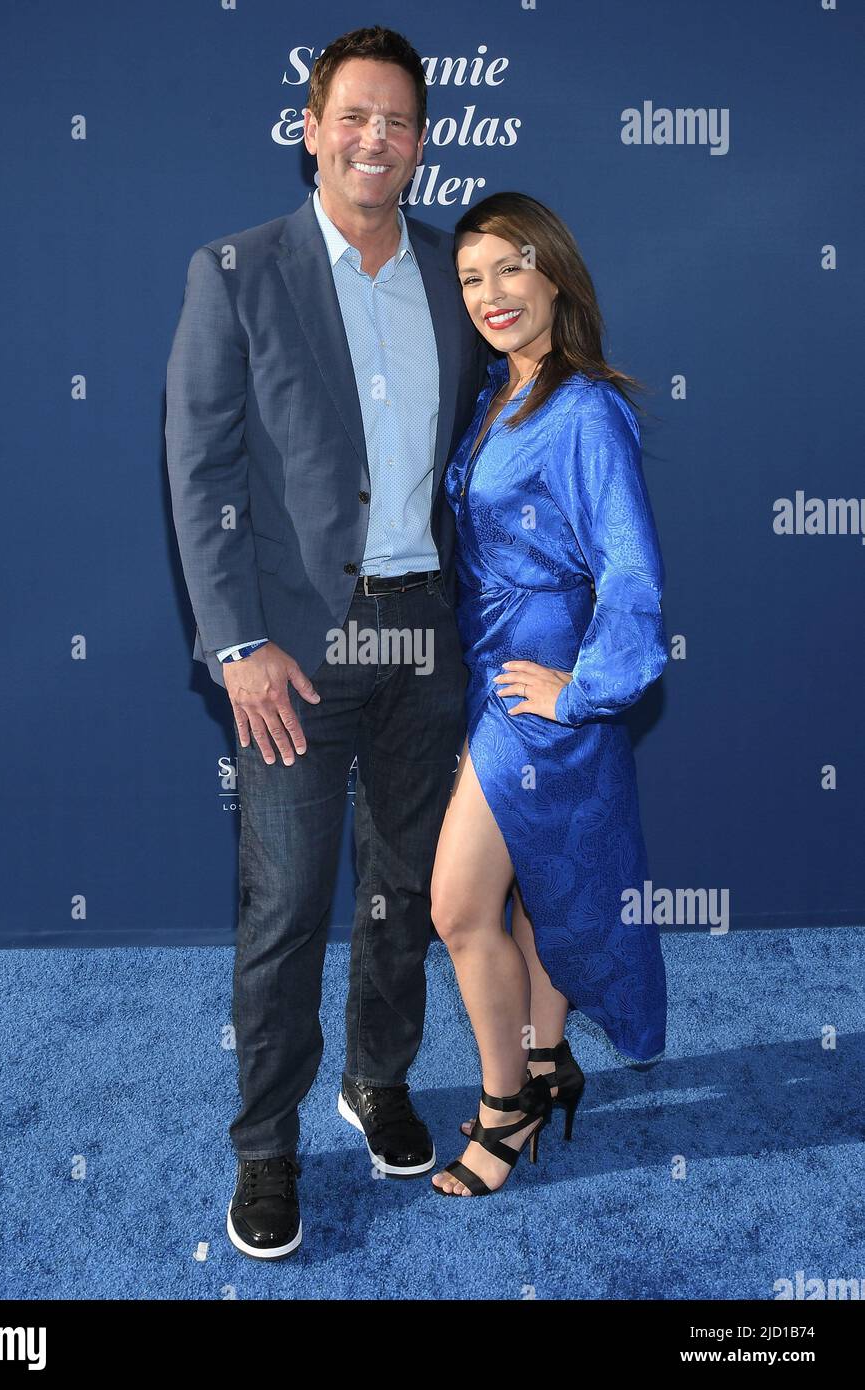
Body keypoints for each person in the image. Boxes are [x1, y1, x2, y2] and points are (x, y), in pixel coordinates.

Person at [164, 26, 487, 1256]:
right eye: (354, 116)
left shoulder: (459, 273)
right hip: (298, 650)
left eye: (398, 122)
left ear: (418, 143)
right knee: (288, 902)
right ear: (311, 128)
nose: (375, 139)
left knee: (405, 889)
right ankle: (265, 1146)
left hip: (428, 637)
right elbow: (200, 473)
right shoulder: (235, 271)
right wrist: (236, 644)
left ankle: (379, 1080)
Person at [429, 191, 669, 1197]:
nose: (491, 294)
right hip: (496, 668)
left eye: (510, 269)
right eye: (471, 278)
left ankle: (504, 1108)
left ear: (555, 273)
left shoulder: (582, 407)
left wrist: (584, 689)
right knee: (544, 877)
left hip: (543, 689)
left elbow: (630, 570)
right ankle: (543, 1057)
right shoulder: (495, 392)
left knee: (457, 904)